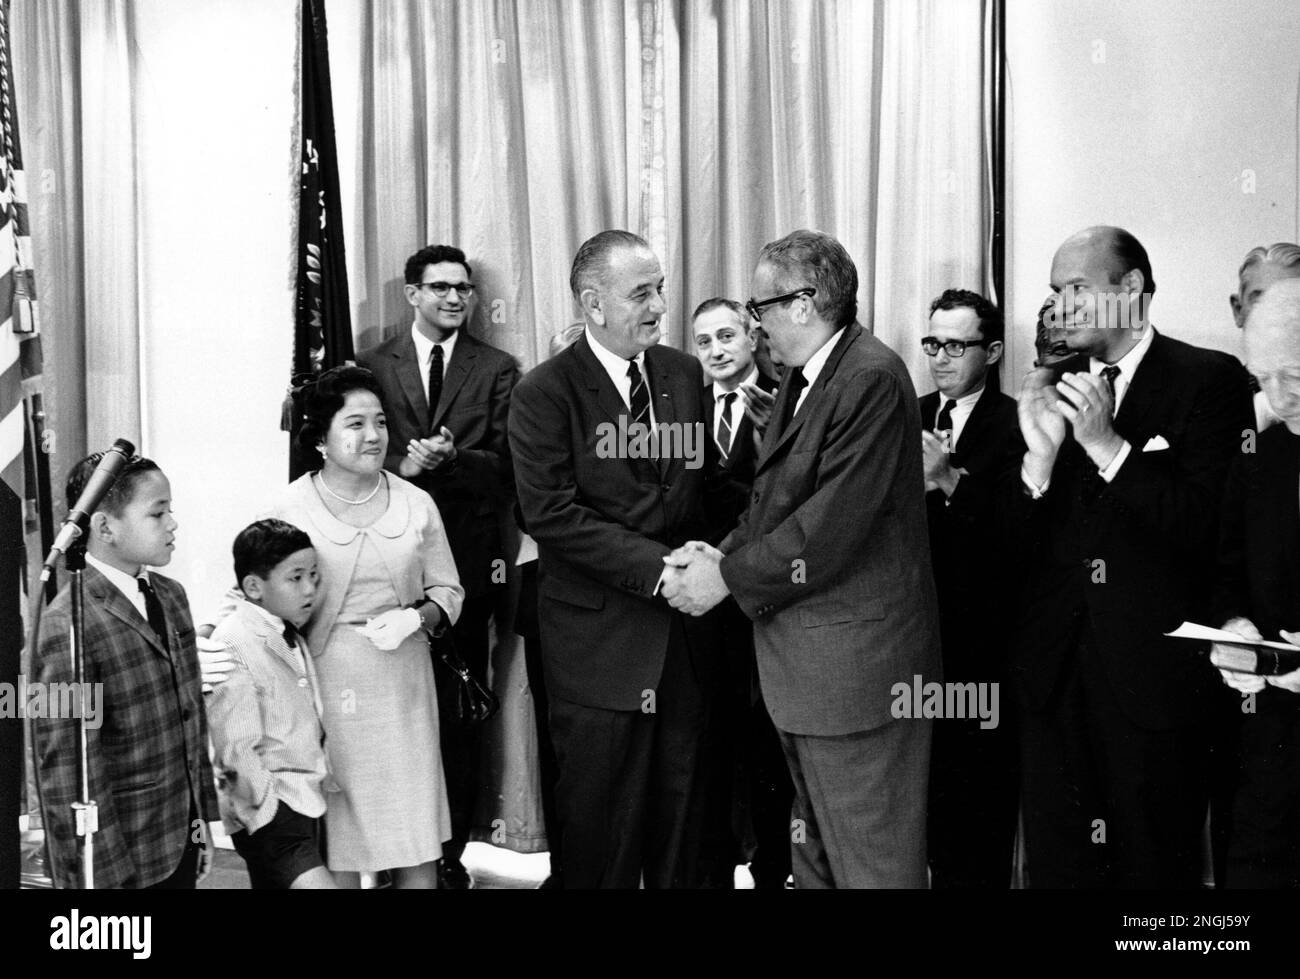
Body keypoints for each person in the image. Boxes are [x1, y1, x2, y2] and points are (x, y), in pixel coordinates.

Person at [664, 229, 941, 888]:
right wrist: (722, 549)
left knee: (872, 865)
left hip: (857, 680)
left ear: (806, 301)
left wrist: (724, 579)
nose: (755, 326)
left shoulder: (868, 375)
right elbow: (777, 500)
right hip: (809, 676)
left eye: (761, 308)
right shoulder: (809, 373)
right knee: (816, 861)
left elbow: (828, 529)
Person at [1011, 225, 1253, 888]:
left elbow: (1207, 526)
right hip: (1054, 685)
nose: (1061, 306)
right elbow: (1023, 548)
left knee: (1153, 875)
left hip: (1155, 691)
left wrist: (1106, 446)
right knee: (1058, 869)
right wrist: (1036, 464)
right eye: (1056, 292)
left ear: (1132, 289)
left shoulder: (1209, 380)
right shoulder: (1047, 387)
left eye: (1078, 289)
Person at [509, 230, 730, 888]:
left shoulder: (683, 374)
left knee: (684, 842)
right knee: (600, 846)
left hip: (686, 653)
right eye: (643, 292)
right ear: (592, 303)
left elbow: (706, 489)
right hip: (599, 659)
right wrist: (666, 572)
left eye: (660, 287)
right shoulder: (544, 394)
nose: (661, 305)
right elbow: (552, 514)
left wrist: (757, 536)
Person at [266, 365, 463, 888]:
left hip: (405, 685)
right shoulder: (290, 506)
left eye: (379, 422)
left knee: (413, 833)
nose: (373, 435)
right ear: (322, 437)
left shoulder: (416, 500)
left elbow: (450, 591)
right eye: (355, 423)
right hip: (326, 686)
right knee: (343, 839)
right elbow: (257, 595)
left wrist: (414, 617)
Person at [357, 244, 518, 888]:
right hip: (382, 568)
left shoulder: (499, 368)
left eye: (465, 288)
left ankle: (447, 855)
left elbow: (512, 463)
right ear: (412, 294)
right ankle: (388, 847)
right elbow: (351, 456)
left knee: (455, 712)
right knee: (387, 712)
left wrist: (454, 459)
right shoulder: (371, 365)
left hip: (467, 570)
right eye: (442, 287)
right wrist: (405, 468)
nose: (456, 298)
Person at [31, 454, 218, 888]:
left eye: (170, 510)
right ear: (104, 527)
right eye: (157, 513)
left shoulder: (172, 597)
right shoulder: (65, 627)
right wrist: (101, 876)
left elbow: (193, 723)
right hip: (120, 859)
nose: (173, 524)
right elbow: (64, 773)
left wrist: (201, 823)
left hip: (179, 836)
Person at [918, 288, 1021, 888]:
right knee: (921, 807)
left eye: (957, 345)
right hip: (913, 644)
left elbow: (1021, 535)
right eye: (933, 343)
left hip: (985, 650)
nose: (941, 357)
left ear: (994, 350)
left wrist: (950, 480)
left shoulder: (1016, 424)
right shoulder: (905, 411)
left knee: (979, 809)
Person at [690, 297, 790, 889]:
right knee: (711, 738)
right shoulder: (688, 409)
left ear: (753, 338)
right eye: (704, 342)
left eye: (726, 335)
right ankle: (716, 866)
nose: (717, 350)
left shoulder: (788, 399)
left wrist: (769, 436)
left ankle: (775, 865)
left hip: (767, 597)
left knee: (768, 745)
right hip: (706, 603)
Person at [1209, 277, 1300, 887]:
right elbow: (1226, 573)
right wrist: (1234, 627)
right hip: (1276, 741)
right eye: (1259, 377)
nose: (1276, 396)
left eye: (1290, 374)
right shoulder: (1260, 462)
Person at [206, 519, 337, 889]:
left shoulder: (287, 629)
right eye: (295, 578)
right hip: (272, 811)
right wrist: (265, 810)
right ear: (253, 586)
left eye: (313, 575)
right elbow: (234, 747)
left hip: (304, 803)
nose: (310, 588)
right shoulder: (234, 640)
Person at [513, 323, 583, 889]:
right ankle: (566, 868)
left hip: (631, 615)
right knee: (560, 749)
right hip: (548, 603)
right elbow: (527, 509)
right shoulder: (533, 422)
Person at [1230, 243, 1300, 433]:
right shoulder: (1217, 391)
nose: (1275, 313)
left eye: (1292, 301)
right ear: (1238, 310)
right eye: (1260, 300)